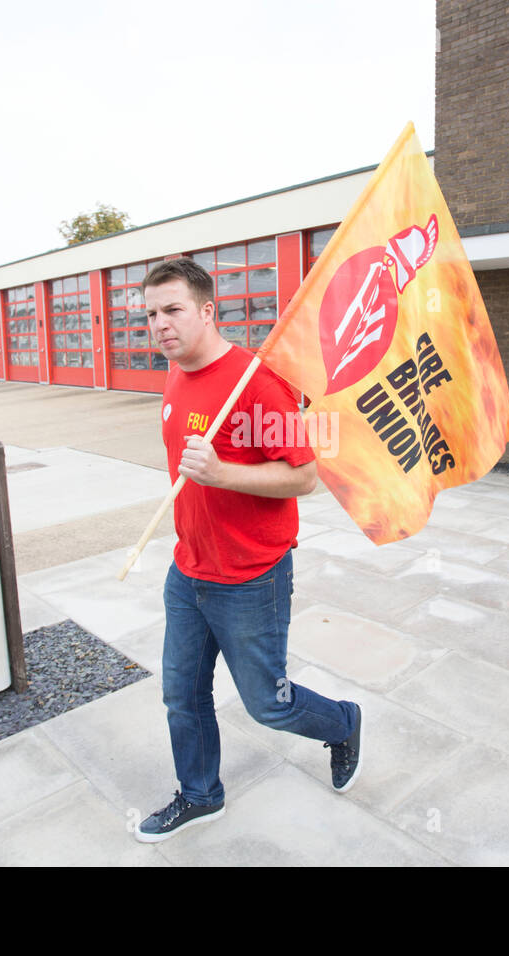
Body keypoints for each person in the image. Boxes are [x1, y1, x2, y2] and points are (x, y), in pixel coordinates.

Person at [134, 257, 363, 843]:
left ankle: (342, 722)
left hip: (250, 578)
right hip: (188, 571)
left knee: (269, 704)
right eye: (152, 313)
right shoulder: (176, 373)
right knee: (181, 695)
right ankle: (200, 794)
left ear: (208, 310)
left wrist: (223, 474)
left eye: (173, 310)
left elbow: (304, 478)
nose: (160, 324)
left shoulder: (255, 382)